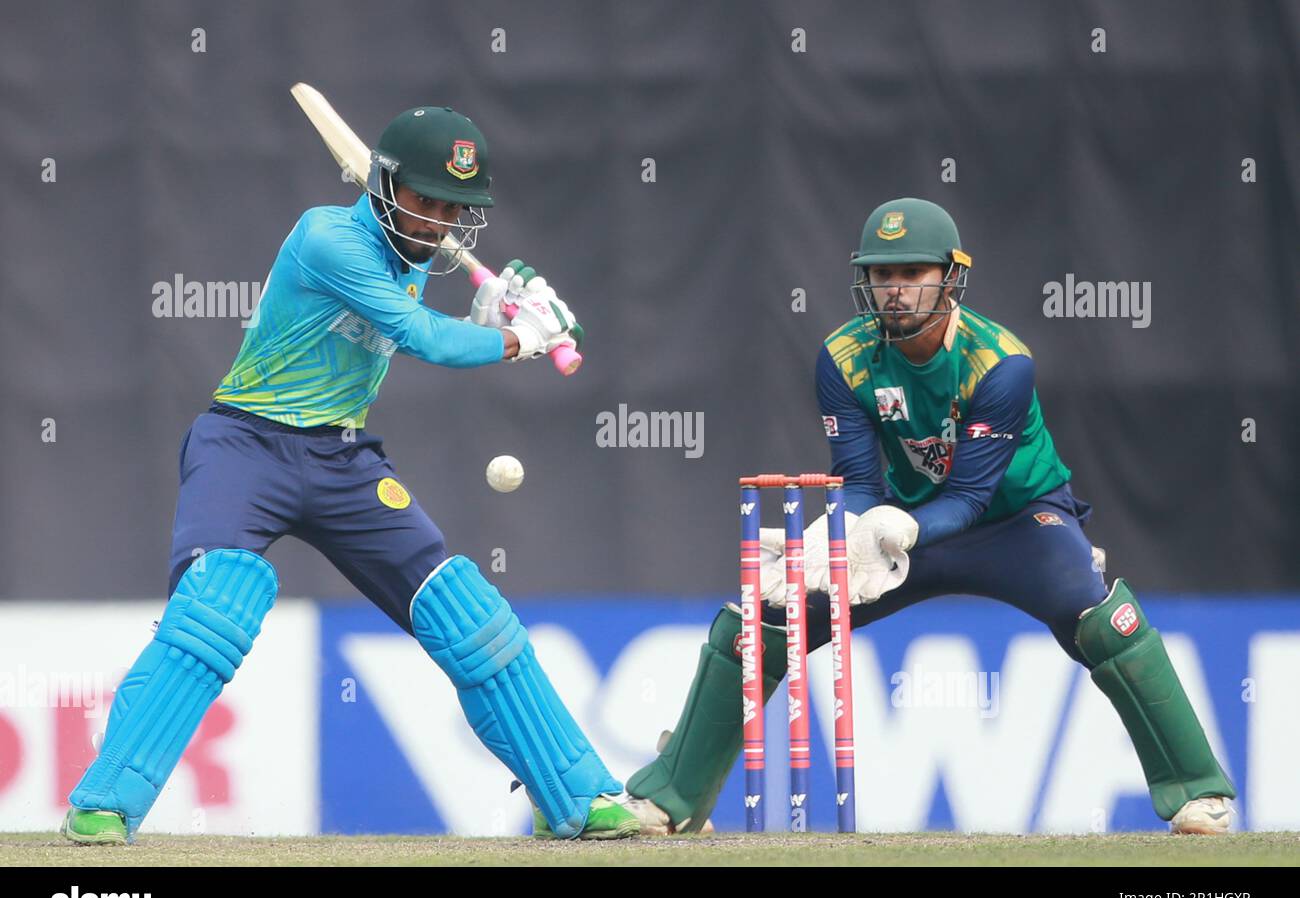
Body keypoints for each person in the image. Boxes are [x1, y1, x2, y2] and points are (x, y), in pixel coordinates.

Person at [62, 104, 637, 843]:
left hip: (342, 460)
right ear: (383, 186)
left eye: (451, 209)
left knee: (467, 616)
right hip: (245, 444)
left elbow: (431, 318)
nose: (435, 223)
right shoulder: (325, 237)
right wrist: (520, 336)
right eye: (424, 202)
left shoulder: (417, 252)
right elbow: (422, 338)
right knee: (216, 610)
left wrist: (490, 312)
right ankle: (104, 801)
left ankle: (580, 797)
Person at [623, 197, 1234, 836]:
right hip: (904, 522)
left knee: (1102, 621)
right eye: (882, 276)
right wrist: (822, 540)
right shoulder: (844, 357)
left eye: (912, 273)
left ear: (949, 275)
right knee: (765, 618)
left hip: (1019, 524)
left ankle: (1198, 791)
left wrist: (898, 528)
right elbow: (859, 482)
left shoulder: (1000, 363)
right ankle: (674, 799)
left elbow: (971, 499)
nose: (895, 290)